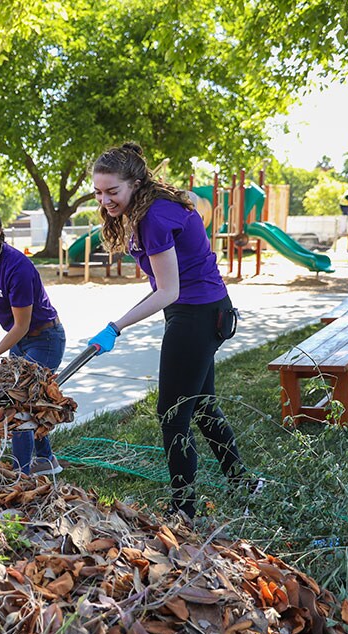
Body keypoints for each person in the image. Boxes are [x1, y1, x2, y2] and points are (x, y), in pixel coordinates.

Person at [89, 142, 246, 520]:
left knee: (173, 413)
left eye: (113, 191)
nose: (106, 200)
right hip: (199, 309)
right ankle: (241, 482)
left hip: (196, 313)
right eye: (98, 192)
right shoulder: (152, 206)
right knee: (202, 405)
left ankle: (183, 510)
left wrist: (116, 326)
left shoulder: (154, 217)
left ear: (136, 183)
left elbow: (168, 290)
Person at [0, 199, 65, 476]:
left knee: (18, 402)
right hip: (20, 340)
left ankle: (21, 474)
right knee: (28, 400)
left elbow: (21, 325)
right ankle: (46, 460)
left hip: (43, 339)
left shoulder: (18, 268)